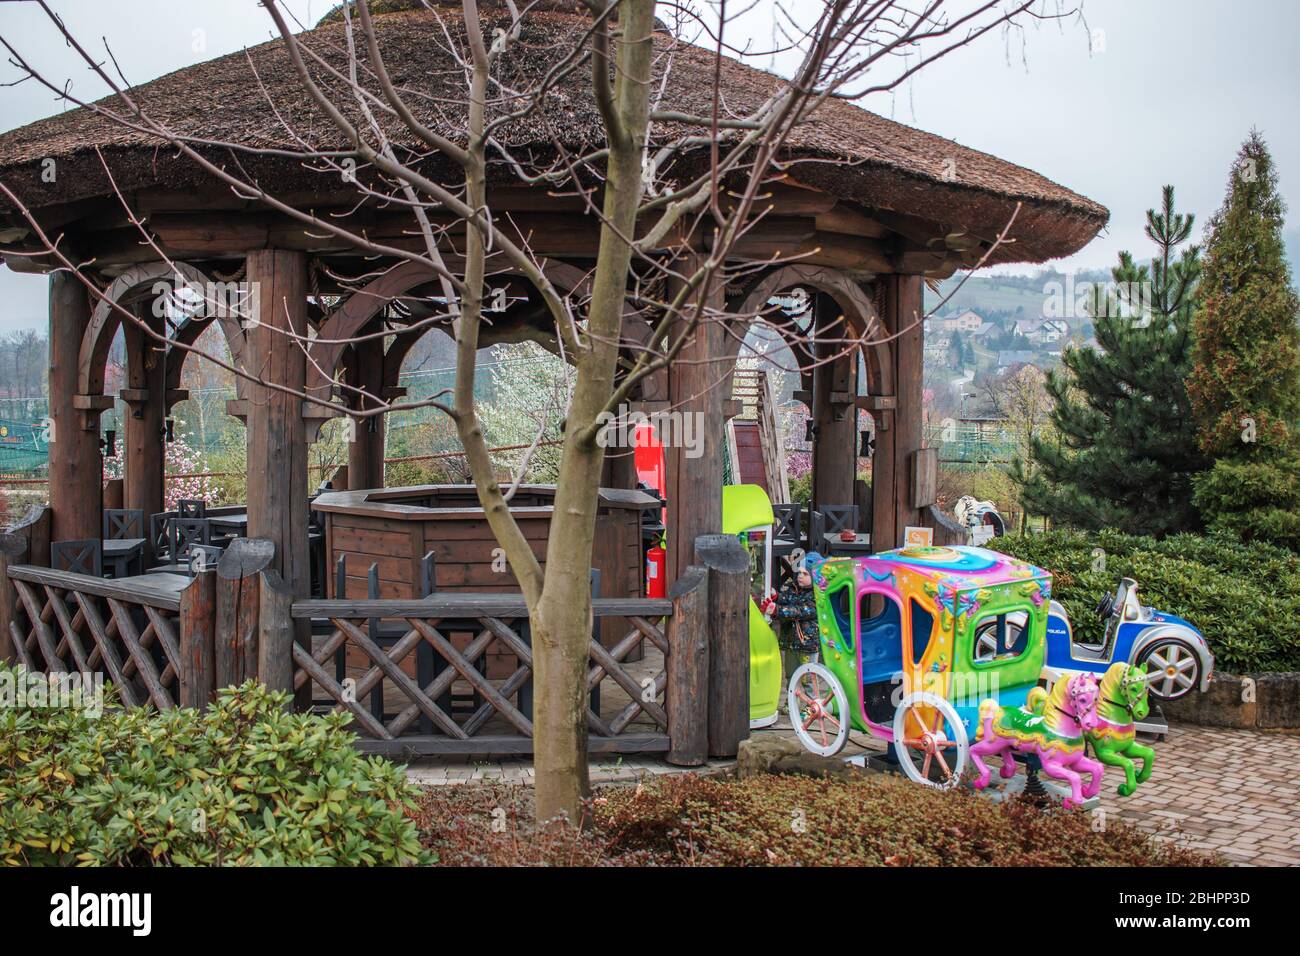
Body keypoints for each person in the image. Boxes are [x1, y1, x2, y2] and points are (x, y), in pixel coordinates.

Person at [774, 553, 823, 697]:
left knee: (808, 678)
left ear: (815, 575)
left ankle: (810, 706)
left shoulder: (817, 596)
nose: (800, 576)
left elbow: (799, 611)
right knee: (790, 676)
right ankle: (791, 703)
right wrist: (776, 596)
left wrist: (777, 610)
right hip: (791, 643)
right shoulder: (793, 589)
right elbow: (787, 598)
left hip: (807, 645)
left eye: (805, 573)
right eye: (799, 572)